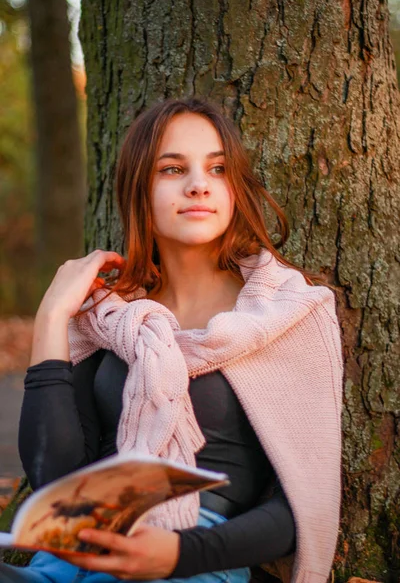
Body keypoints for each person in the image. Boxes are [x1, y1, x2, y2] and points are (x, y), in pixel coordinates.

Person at [0, 97, 343, 583]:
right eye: (172, 168)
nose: (199, 184)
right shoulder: (106, 317)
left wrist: (180, 554)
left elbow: (307, 507)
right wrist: (54, 314)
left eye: (218, 168)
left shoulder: (289, 314)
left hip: (199, 561)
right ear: (140, 189)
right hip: (75, 551)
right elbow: (53, 477)